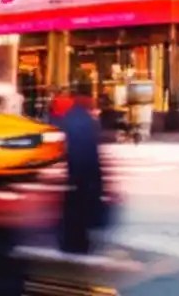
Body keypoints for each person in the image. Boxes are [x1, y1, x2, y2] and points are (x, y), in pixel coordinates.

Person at [58, 86, 106, 254]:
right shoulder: (81, 119)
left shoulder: (76, 117)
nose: (93, 101)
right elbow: (86, 149)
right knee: (78, 209)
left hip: (79, 172)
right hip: (82, 172)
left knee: (76, 209)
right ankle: (75, 243)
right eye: (90, 97)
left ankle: (74, 242)